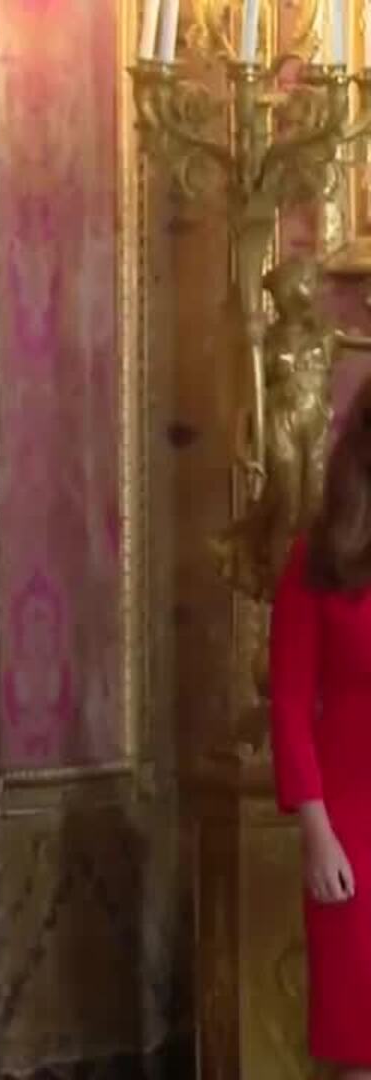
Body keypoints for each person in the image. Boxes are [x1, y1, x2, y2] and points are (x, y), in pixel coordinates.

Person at [269, 376, 371, 1078]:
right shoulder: (322, 554)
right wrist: (316, 831)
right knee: (355, 1043)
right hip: (350, 831)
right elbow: (288, 701)